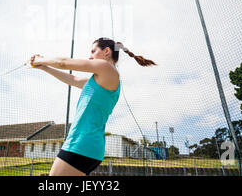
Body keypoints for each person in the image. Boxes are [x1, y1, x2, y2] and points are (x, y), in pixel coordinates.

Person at [30, 37, 156, 176]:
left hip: (82, 144)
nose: (90, 57)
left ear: (106, 51)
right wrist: (44, 68)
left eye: (93, 51)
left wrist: (40, 59)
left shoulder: (107, 68)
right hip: (86, 145)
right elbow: (73, 79)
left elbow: (63, 63)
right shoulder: (100, 80)